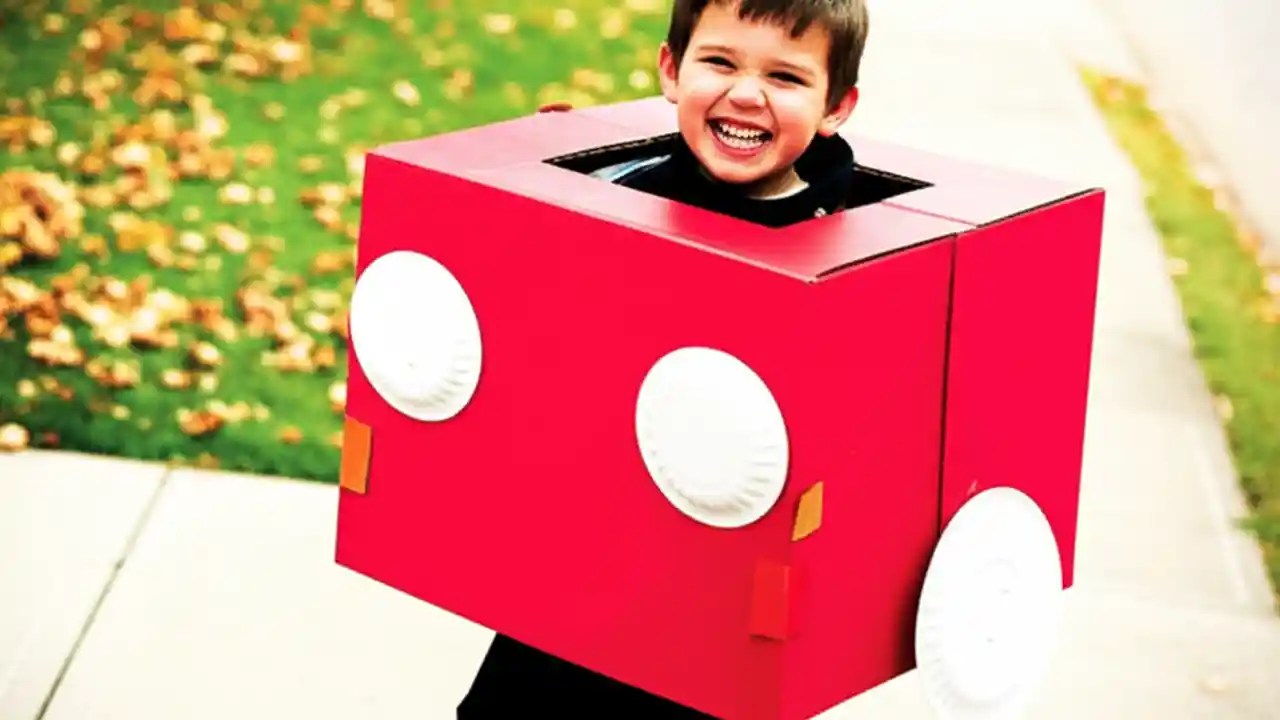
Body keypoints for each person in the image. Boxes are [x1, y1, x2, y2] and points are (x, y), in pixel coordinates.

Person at [457, 0, 869, 716]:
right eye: (720, 62)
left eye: (785, 76)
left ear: (836, 106)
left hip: (729, 610)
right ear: (671, 71)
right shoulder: (614, 196)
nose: (746, 93)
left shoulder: (853, 242)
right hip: (574, 593)